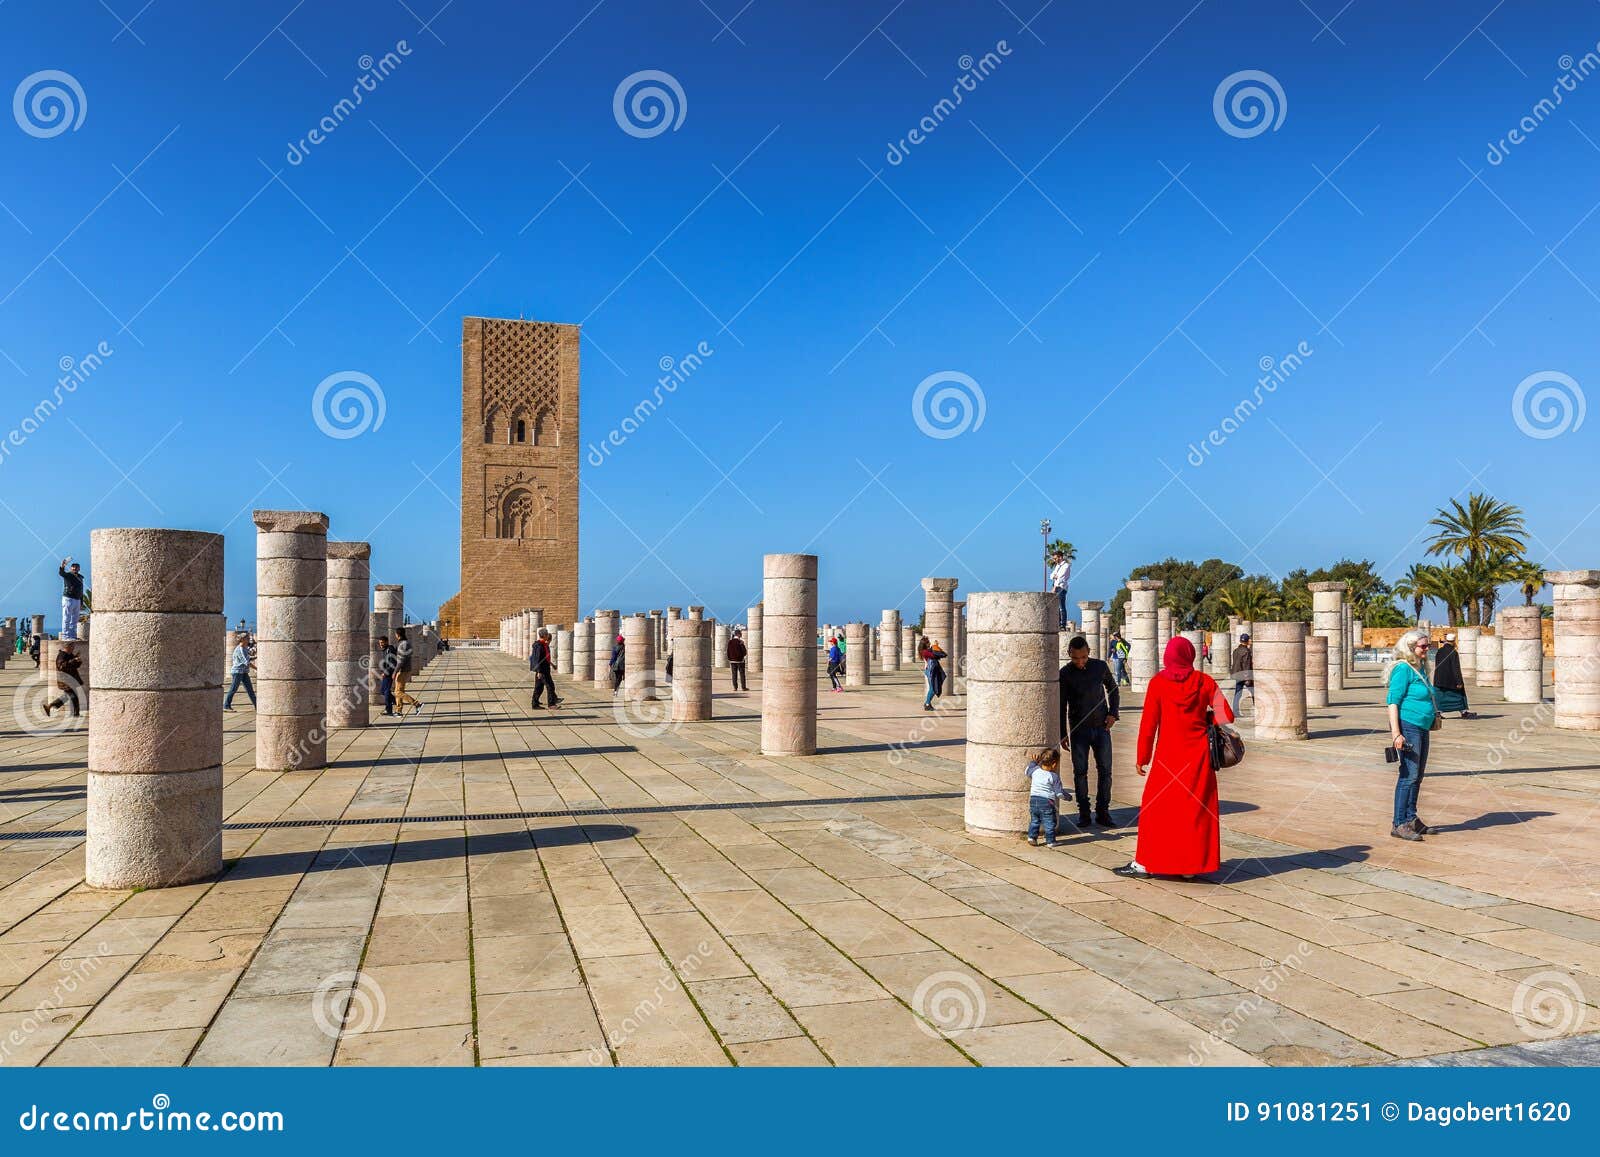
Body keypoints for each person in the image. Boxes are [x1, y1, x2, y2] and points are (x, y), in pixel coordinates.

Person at [1115, 636, 1233, 879]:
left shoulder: (1158, 683)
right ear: (1191, 656)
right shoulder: (1205, 682)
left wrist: (1142, 757)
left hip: (1167, 758)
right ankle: (1190, 867)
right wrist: (1205, 720)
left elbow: (1149, 724)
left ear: (1167, 657)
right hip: (1199, 757)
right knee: (1195, 811)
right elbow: (1226, 715)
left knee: (1155, 810)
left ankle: (1145, 863)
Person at [1059, 635, 1120, 829]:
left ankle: (1103, 812)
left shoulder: (1100, 667)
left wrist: (1113, 713)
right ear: (1069, 654)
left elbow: (1113, 689)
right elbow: (1061, 706)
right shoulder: (1065, 674)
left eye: (1084, 657)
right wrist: (1062, 732)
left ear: (1088, 653)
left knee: (1105, 771)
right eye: (1076, 658)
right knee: (1080, 772)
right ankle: (1084, 813)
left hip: (1102, 727)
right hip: (1078, 730)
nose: (1080, 662)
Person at [1386, 629, 1438, 841]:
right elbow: (1392, 702)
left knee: (1418, 775)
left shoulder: (1420, 668)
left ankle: (1411, 817)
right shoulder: (1402, 669)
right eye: (1423, 646)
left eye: (1428, 646)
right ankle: (1399, 823)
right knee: (1408, 775)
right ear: (1410, 648)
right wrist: (1397, 734)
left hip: (1422, 726)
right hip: (1409, 727)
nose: (1427, 649)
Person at [1025, 748, 1071, 847]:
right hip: (1047, 803)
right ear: (1054, 764)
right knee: (1050, 822)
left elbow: (1027, 771)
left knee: (1035, 820)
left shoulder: (1035, 770)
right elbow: (1059, 794)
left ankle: (1032, 837)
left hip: (1034, 800)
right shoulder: (1054, 776)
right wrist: (1068, 797)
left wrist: (1033, 762)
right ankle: (1050, 841)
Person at [1431, 633, 1476, 719]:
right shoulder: (1453, 652)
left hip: (1439, 679)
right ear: (1454, 641)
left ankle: (1438, 712)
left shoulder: (1439, 651)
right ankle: (1464, 712)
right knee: (1459, 695)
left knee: (1440, 697)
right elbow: (1456, 668)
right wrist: (1459, 681)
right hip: (1451, 680)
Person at [40, 641, 83, 718]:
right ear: (67, 647)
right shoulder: (62, 655)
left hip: (70, 679)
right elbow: (61, 666)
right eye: (72, 647)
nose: (73, 649)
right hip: (66, 680)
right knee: (73, 696)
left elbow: (73, 665)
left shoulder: (69, 654)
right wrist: (73, 660)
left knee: (67, 696)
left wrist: (77, 661)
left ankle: (49, 706)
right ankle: (75, 714)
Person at [224, 632, 256, 710]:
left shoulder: (244, 648)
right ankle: (226, 706)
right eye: (247, 638)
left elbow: (248, 657)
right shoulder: (240, 649)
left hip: (244, 672)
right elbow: (246, 662)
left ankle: (257, 706)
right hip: (237, 672)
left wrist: (255, 657)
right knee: (233, 689)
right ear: (242, 639)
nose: (249, 640)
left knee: (250, 690)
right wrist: (257, 668)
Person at [529, 627, 561, 708]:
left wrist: (552, 665)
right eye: (547, 634)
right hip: (542, 670)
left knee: (539, 687)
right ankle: (551, 704)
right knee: (550, 686)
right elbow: (538, 659)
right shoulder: (539, 646)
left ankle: (535, 703)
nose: (548, 636)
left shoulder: (543, 644)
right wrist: (539, 671)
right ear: (544, 635)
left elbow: (545, 658)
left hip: (544, 669)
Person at [392, 627, 421, 715]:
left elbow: (401, 660)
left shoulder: (403, 644)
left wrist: (395, 672)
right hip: (405, 669)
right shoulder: (406, 643)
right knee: (399, 691)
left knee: (397, 692)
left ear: (397, 635)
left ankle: (417, 704)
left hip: (403, 670)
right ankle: (399, 710)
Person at [58, 558, 86, 641]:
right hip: (68, 598)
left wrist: (81, 601)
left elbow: (81, 589)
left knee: (75, 619)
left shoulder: (81, 577)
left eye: (76, 567)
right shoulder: (68, 575)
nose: (74, 568)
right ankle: (65, 636)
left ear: (79, 568)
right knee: (66, 617)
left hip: (77, 599)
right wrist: (62, 566)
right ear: (71, 568)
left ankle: (72, 635)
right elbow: (61, 573)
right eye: (73, 567)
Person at [919, 636, 946, 709]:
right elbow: (936, 655)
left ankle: (927, 703)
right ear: (925, 644)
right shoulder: (925, 652)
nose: (929, 643)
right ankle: (927, 704)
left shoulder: (927, 650)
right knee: (933, 688)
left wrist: (936, 646)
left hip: (932, 670)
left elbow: (941, 655)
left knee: (933, 687)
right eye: (928, 642)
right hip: (930, 671)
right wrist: (935, 646)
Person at [1230, 633, 1254, 715]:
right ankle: (1259, 710)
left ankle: (1235, 711)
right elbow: (1246, 665)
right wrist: (1248, 679)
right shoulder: (1246, 652)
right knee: (1254, 692)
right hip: (1245, 675)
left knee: (1238, 694)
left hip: (1237, 674)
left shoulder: (1236, 651)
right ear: (1247, 641)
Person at [375, 635, 397, 716]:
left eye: (382, 642)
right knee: (383, 691)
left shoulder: (390, 650)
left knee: (386, 692)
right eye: (380, 643)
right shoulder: (385, 650)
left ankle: (389, 710)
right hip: (385, 674)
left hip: (389, 674)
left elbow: (393, 663)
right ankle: (395, 701)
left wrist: (386, 672)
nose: (381, 644)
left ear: (386, 642)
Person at [1049, 553, 1072, 629]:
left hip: (1061, 587)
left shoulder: (1066, 565)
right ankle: (1058, 623)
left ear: (1060, 557)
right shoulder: (1058, 566)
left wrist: (1054, 587)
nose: (1054, 560)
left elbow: (1061, 577)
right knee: (1056, 606)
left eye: (1055, 558)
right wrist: (1054, 576)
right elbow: (1051, 576)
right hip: (1055, 586)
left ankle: (1063, 624)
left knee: (1061, 606)